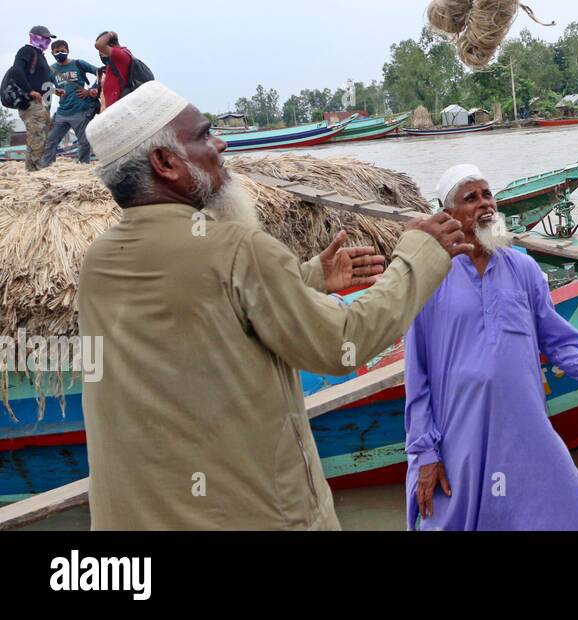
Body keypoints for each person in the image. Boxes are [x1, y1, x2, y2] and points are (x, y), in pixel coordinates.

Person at [78, 82, 467, 529]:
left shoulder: (99, 261)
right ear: (165, 164)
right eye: (203, 135)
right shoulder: (235, 248)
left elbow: (202, 309)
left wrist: (307, 278)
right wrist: (422, 252)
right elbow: (342, 342)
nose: (220, 144)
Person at [404, 164, 578, 531]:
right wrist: (424, 453)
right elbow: (416, 378)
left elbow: (558, 339)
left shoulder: (523, 269)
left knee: (573, 518)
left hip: (524, 428)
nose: (485, 204)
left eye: (487, 194)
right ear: (448, 215)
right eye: (471, 198)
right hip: (459, 434)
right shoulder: (428, 277)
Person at [38, 39, 99, 166]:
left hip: (81, 111)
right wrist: (55, 92)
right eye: (57, 51)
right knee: (50, 140)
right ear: (52, 53)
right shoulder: (51, 70)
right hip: (62, 112)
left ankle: (83, 166)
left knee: (84, 142)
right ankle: (46, 167)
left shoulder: (79, 64)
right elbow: (47, 90)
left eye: (63, 51)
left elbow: (100, 73)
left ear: (68, 51)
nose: (60, 53)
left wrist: (91, 90)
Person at [12, 25, 56, 171]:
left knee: (42, 137)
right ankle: (33, 172)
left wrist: (55, 90)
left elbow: (41, 78)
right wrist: (30, 91)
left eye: (48, 38)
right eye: (44, 37)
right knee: (36, 137)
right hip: (30, 102)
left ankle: (35, 170)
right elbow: (17, 71)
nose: (47, 40)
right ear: (34, 36)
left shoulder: (39, 54)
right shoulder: (26, 51)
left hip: (39, 102)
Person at [93, 30, 135, 109]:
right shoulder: (115, 58)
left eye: (102, 51)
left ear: (111, 45)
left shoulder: (120, 55)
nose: (100, 53)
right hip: (113, 106)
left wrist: (111, 34)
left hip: (118, 106)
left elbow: (99, 45)